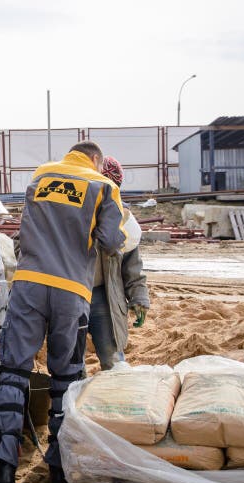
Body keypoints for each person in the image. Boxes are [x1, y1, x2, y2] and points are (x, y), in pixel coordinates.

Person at [0, 141, 126, 483]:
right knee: (65, 379)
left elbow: (27, 232)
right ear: (96, 160)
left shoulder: (41, 175)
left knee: (13, 371)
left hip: (29, 285)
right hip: (70, 292)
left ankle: (4, 471)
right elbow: (113, 241)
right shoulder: (103, 186)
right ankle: (59, 471)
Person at [89, 156, 150, 370]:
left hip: (103, 296)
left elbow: (132, 265)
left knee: (112, 357)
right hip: (71, 294)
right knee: (70, 359)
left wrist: (139, 296)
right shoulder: (70, 211)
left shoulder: (122, 218)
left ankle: (117, 396)